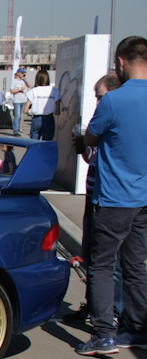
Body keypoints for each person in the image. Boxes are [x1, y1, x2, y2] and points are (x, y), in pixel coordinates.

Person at [76, 36, 147, 354]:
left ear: (120, 62)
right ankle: (139, 330)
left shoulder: (114, 101)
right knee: (135, 266)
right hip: (143, 197)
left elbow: (91, 136)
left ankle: (104, 333)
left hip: (114, 196)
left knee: (102, 265)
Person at [65, 73, 124, 325]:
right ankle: (94, 306)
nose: (98, 102)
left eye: (100, 97)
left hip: (110, 199)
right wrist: (82, 148)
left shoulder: (117, 119)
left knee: (111, 261)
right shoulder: (103, 118)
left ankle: (114, 312)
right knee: (91, 255)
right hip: (94, 194)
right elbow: (94, 158)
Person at [25, 70, 61, 141]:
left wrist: (30, 111)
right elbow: (58, 111)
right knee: (47, 142)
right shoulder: (54, 91)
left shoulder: (33, 91)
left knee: (34, 142)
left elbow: (25, 110)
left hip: (36, 118)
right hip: (49, 118)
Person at [10, 67, 30, 136]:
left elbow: (30, 85)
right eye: (21, 73)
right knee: (17, 115)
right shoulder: (14, 81)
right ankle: (15, 130)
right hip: (17, 100)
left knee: (21, 116)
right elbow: (11, 91)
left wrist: (26, 78)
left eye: (23, 73)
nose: (22, 74)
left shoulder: (23, 81)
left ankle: (18, 129)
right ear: (18, 73)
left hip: (23, 100)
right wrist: (19, 89)